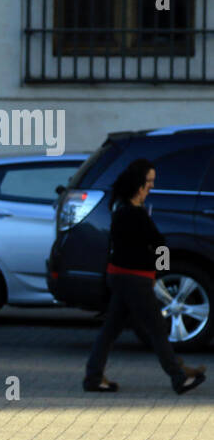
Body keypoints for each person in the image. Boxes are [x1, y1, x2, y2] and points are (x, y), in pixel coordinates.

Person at [83, 158, 205, 395]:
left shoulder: (120, 208)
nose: (151, 186)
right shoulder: (134, 213)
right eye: (149, 181)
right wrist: (161, 268)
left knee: (111, 329)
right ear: (138, 184)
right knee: (157, 328)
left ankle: (93, 377)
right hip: (134, 278)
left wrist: (156, 266)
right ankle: (179, 377)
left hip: (120, 276)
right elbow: (159, 243)